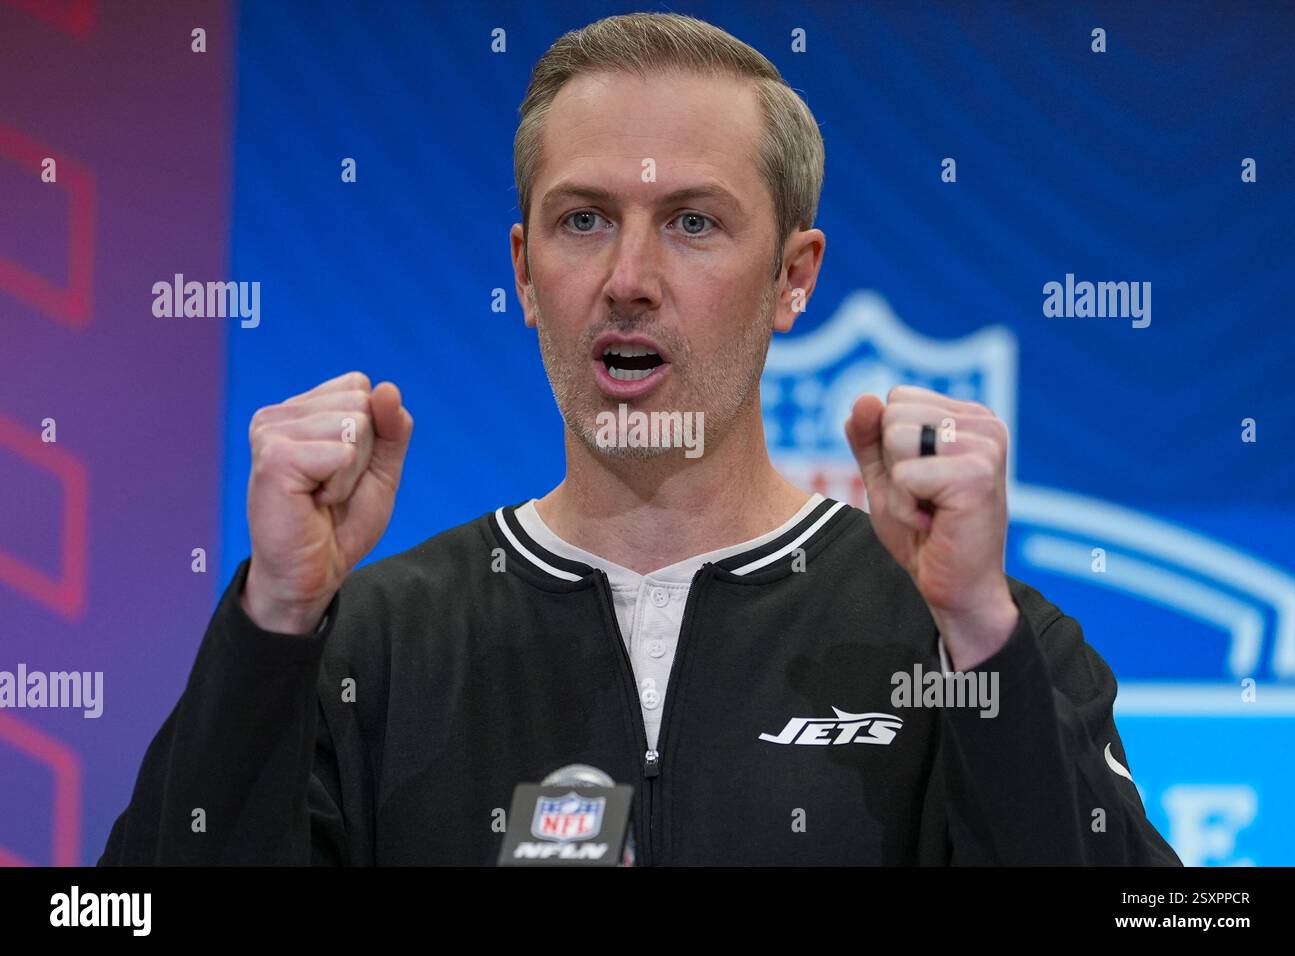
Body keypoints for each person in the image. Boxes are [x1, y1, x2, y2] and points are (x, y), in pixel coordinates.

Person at [100, 12, 1181, 866]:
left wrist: (979, 636)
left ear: (792, 277)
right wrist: (274, 622)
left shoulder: (968, 646)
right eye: (583, 220)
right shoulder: (360, 649)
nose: (628, 279)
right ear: (523, 271)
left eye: (693, 223)